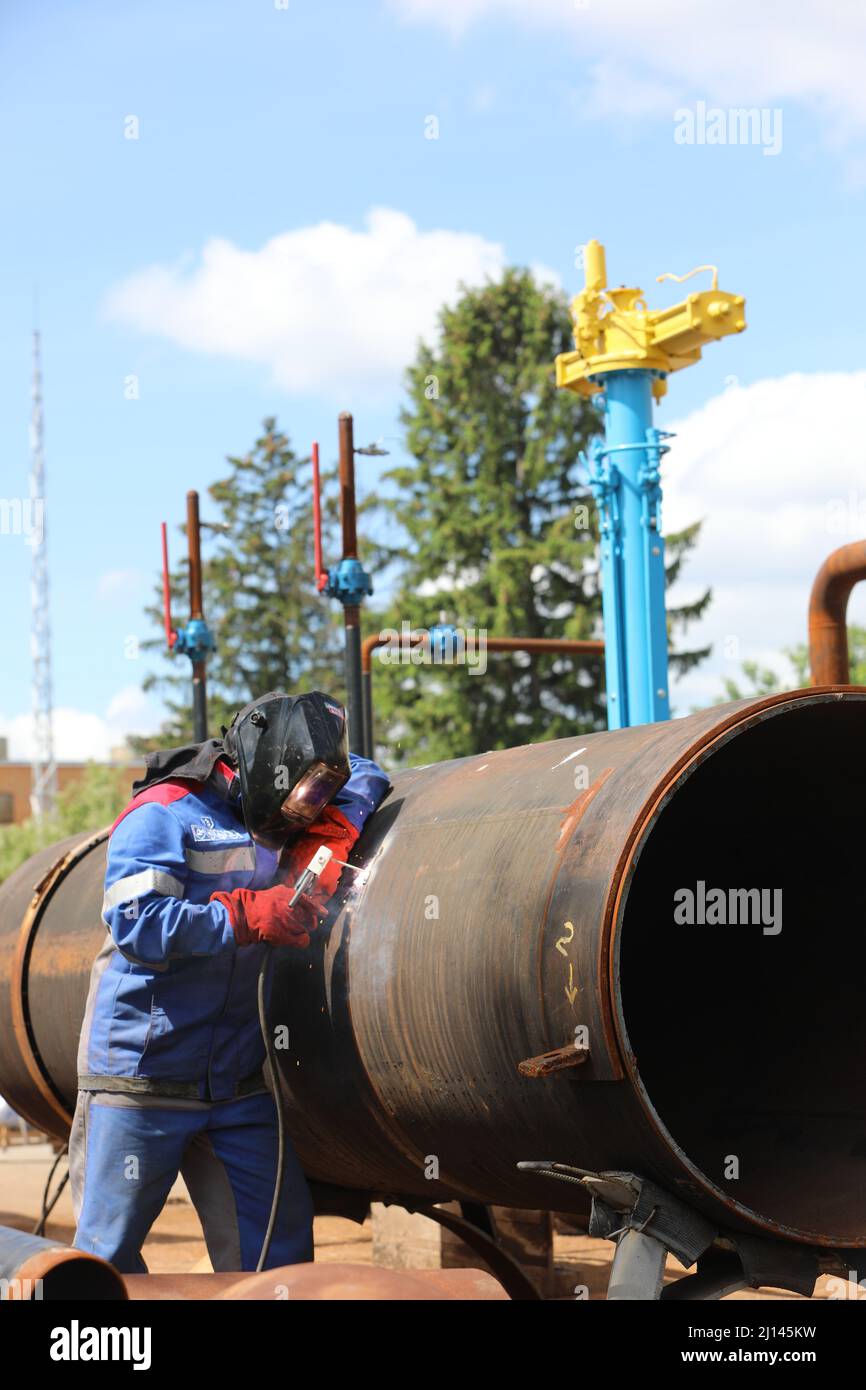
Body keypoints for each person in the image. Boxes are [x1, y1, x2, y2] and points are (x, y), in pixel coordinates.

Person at [69, 690, 390, 1274]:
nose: (302, 811)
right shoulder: (163, 814)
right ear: (256, 767)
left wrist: (336, 826)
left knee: (277, 1259)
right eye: (300, 796)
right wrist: (244, 914)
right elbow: (138, 924)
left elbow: (366, 772)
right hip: (141, 1081)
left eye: (316, 796)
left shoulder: (280, 804)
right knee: (104, 1264)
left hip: (235, 1087)